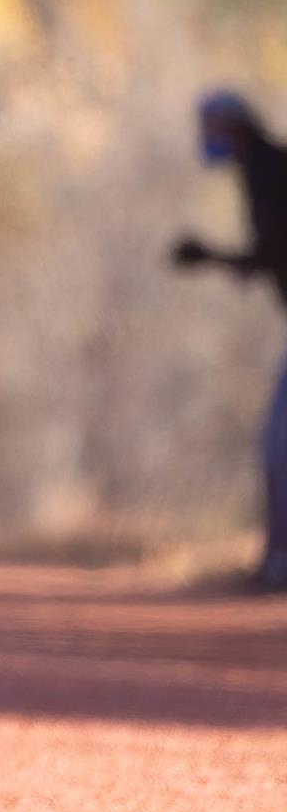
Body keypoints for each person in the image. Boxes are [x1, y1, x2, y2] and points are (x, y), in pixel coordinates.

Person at [173, 90, 287, 591]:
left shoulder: (270, 172)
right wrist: (216, 259)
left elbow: (273, 253)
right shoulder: (260, 171)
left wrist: (212, 258)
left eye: (212, 128)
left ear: (236, 128)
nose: (206, 138)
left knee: (278, 446)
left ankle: (280, 562)